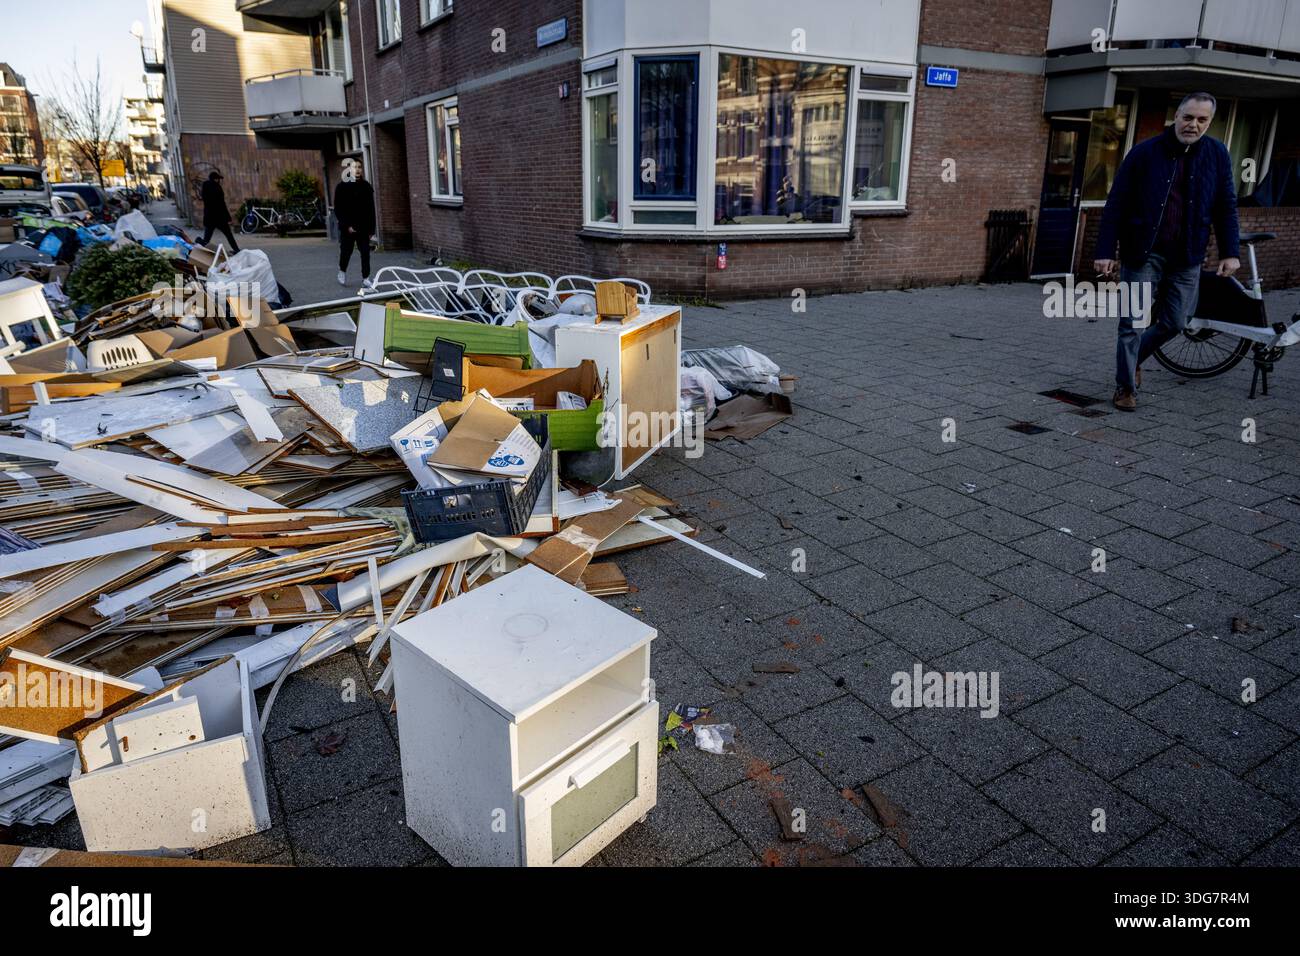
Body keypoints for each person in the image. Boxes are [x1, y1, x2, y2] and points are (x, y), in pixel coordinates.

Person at [1095, 91, 1239, 412]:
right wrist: (1106, 250)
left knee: (1176, 322)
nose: (1194, 125)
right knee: (1131, 323)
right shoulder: (1144, 153)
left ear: (1209, 122)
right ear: (1176, 116)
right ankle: (1125, 387)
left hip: (1187, 256)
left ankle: (1134, 360)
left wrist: (1231, 251)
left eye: (1202, 120)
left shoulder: (1216, 154)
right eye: (1188, 117)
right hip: (1142, 253)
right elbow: (1116, 204)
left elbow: (1225, 206)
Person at [334, 160, 376, 290]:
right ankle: (342, 270)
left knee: (365, 253)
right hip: (348, 228)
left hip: (363, 227)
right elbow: (338, 209)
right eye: (354, 167)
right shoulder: (342, 187)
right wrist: (347, 225)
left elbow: (371, 209)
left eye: (359, 167)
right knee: (346, 252)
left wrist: (371, 229)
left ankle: (366, 278)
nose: (357, 169)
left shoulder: (367, 187)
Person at [199, 170, 239, 253]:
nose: (219, 181)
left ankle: (201, 250)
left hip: (209, 217)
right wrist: (228, 218)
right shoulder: (217, 188)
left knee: (207, 237)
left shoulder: (205, 186)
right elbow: (222, 204)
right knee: (229, 235)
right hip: (220, 218)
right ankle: (236, 250)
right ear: (215, 179)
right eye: (218, 179)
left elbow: (203, 198)